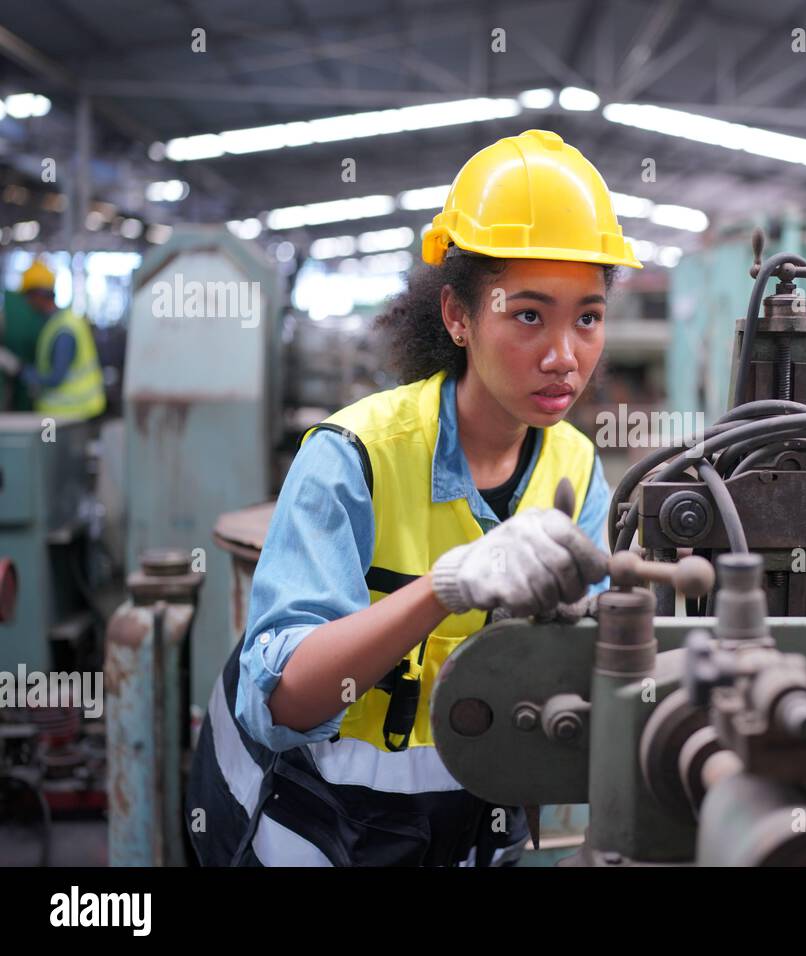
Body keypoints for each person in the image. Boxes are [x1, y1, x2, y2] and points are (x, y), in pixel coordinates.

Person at [186, 129, 642, 866]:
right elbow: (283, 703)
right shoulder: (355, 456)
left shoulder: (577, 466)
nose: (565, 355)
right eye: (529, 315)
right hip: (307, 819)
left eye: (586, 317)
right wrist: (446, 586)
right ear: (459, 317)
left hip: (468, 822)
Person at [0, 259, 105, 419]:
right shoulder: (55, 324)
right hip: (66, 414)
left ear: (38, 296)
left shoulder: (64, 330)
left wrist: (19, 369)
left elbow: (55, 378)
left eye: (28, 298)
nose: (27, 304)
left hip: (71, 414)